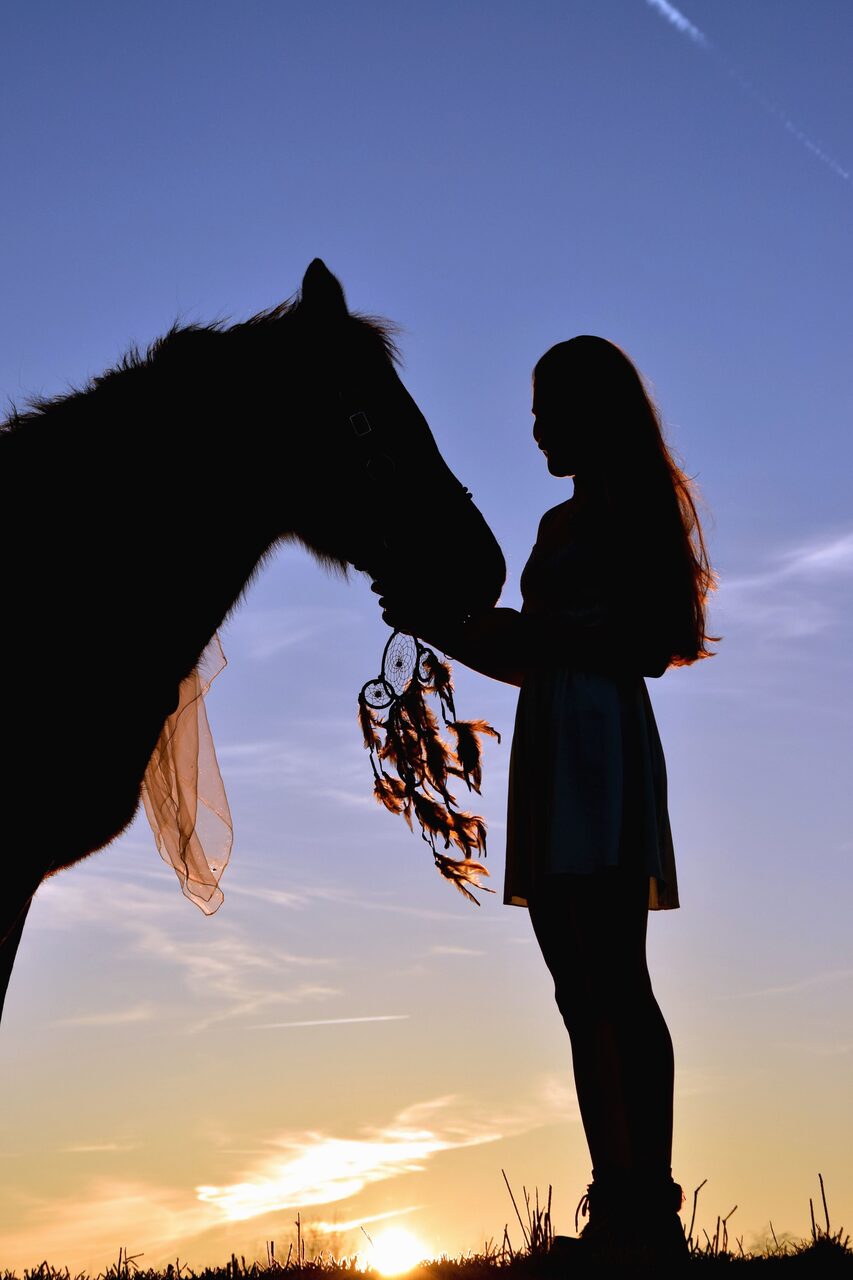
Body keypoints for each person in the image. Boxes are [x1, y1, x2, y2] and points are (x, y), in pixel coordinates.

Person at [374, 335, 717, 1264]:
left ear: (589, 415)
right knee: (575, 988)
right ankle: (615, 1199)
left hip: (600, 737)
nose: (533, 430)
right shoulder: (554, 525)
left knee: (616, 976)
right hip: (556, 733)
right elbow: (528, 656)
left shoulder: (632, 511)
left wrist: (532, 634)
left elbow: (651, 643)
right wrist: (436, 623)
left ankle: (649, 1207)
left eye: (546, 412)